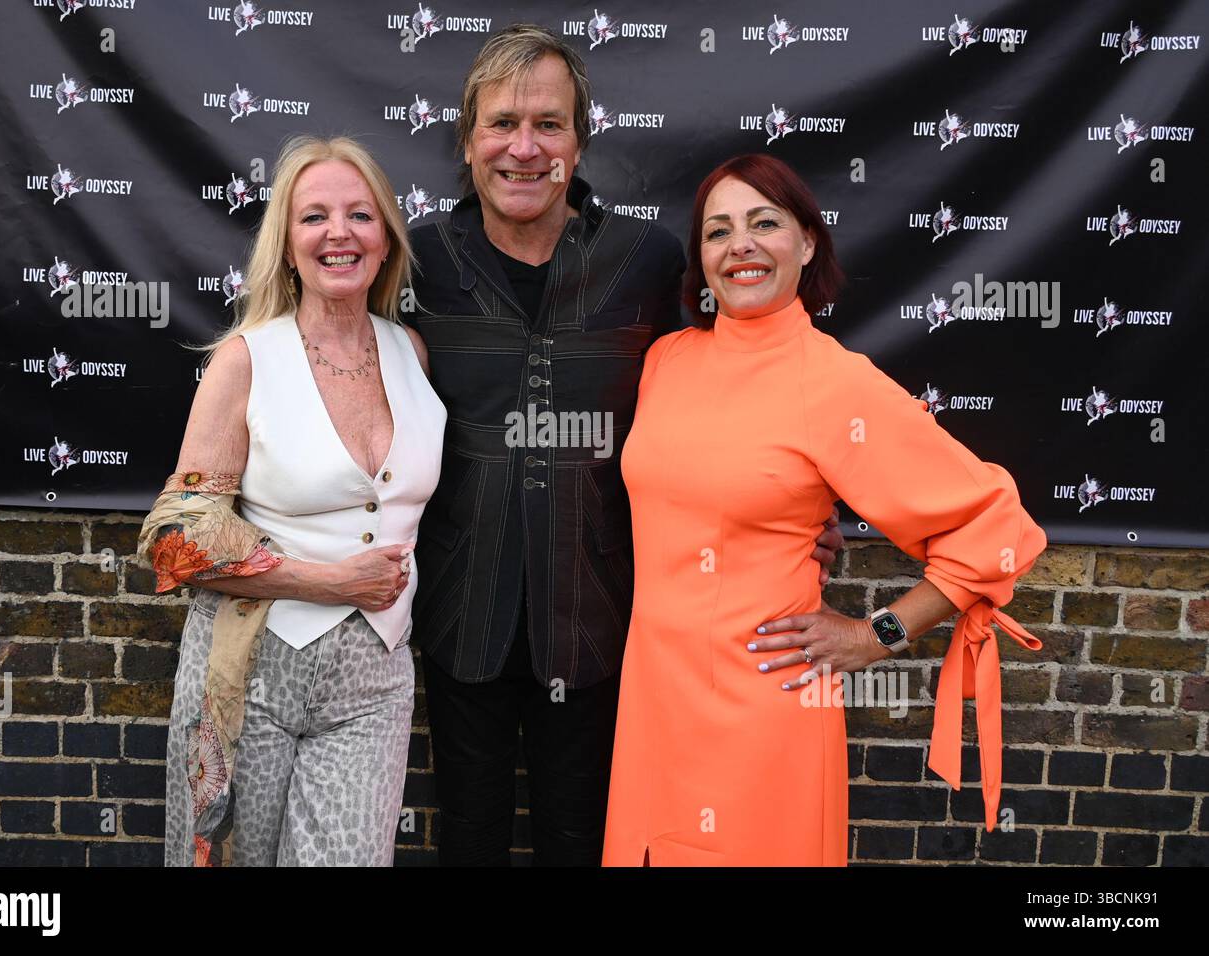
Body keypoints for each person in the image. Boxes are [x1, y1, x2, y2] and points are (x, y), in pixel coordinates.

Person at [404, 26, 843, 866]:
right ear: (467, 142)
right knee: (467, 836)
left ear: (580, 139)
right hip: (463, 609)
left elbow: (719, 392)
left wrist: (795, 518)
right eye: (501, 124)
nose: (524, 148)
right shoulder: (418, 259)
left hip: (603, 616)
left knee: (589, 840)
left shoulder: (644, 260)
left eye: (549, 124)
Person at [601, 153, 1048, 866]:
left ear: (807, 243)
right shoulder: (668, 361)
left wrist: (879, 635)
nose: (739, 245)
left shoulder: (835, 382)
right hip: (653, 709)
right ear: (702, 258)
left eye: (764, 223)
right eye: (717, 231)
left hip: (761, 713)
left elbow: (998, 528)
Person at [135, 135, 446, 866]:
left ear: (386, 237)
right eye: (314, 217)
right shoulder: (245, 359)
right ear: (286, 243)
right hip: (253, 671)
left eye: (360, 215)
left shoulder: (411, 351)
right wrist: (328, 580)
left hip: (374, 679)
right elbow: (175, 540)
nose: (339, 233)